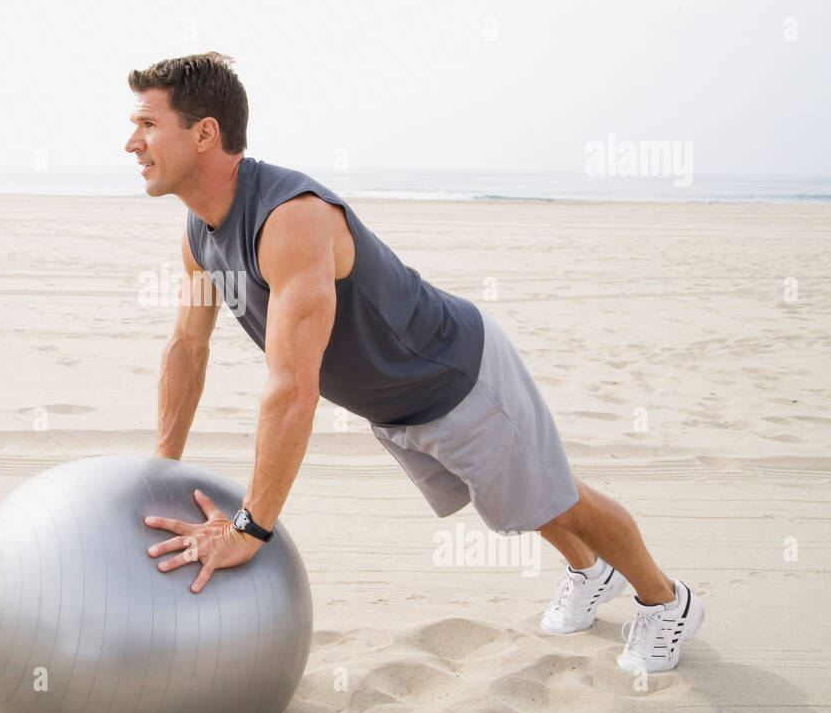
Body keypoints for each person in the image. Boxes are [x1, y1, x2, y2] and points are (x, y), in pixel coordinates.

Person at [126, 52, 704, 673]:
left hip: (454, 377)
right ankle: (590, 572)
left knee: (555, 498)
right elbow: (188, 347)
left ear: (205, 132)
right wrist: (164, 465)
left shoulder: (290, 219)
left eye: (148, 124)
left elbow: (292, 390)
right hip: (395, 402)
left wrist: (250, 529)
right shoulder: (198, 233)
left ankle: (666, 600)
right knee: (513, 499)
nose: (132, 142)